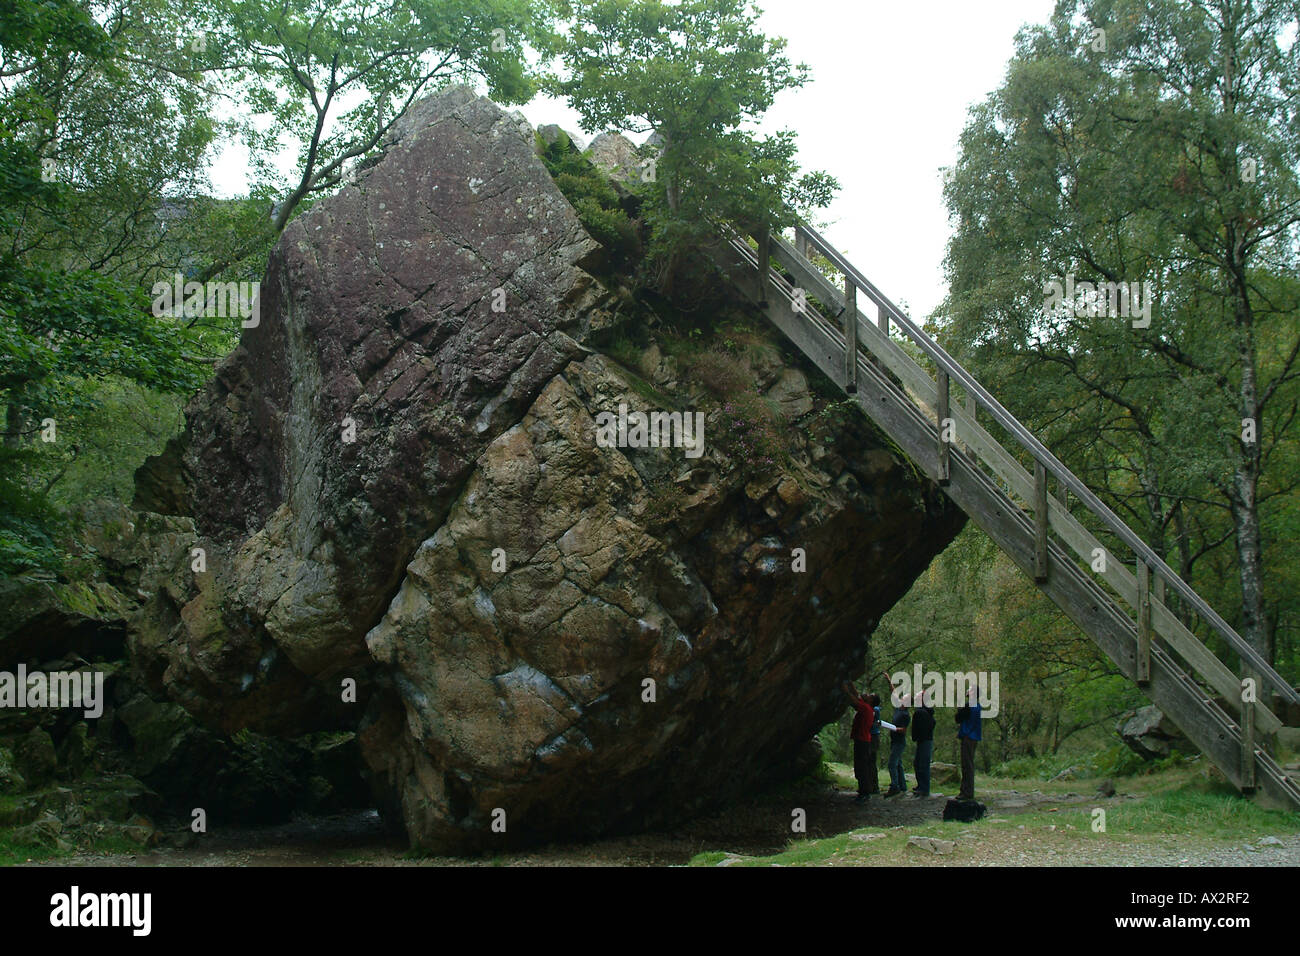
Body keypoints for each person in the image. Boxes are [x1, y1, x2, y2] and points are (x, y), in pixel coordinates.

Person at [841, 681, 876, 802]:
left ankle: (865, 792)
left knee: (861, 766)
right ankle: (864, 790)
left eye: (870, 695)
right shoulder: (866, 706)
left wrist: (845, 688)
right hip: (862, 740)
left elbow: (854, 701)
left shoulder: (866, 709)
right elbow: (857, 696)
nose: (866, 695)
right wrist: (850, 683)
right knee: (860, 766)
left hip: (863, 741)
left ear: (870, 701)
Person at [955, 685, 982, 800]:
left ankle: (966, 792)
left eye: (969, 689)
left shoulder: (969, 706)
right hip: (974, 737)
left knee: (967, 765)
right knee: (969, 764)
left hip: (968, 737)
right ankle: (967, 790)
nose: (967, 690)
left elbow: (958, 718)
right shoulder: (978, 706)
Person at [883, 693, 911, 797]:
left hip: (899, 742)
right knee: (898, 764)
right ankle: (902, 786)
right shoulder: (898, 709)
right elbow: (894, 694)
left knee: (892, 763)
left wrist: (891, 727)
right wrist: (889, 680)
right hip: (894, 741)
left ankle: (894, 786)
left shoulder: (905, 715)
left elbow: (903, 730)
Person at [910, 688, 936, 797]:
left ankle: (924, 788)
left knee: (922, 764)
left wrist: (915, 737)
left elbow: (918, 727)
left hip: (924, 740)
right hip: (925, 739)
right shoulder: (926, 711)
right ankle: (921, 785)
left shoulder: (921, 712)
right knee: (918, 763)